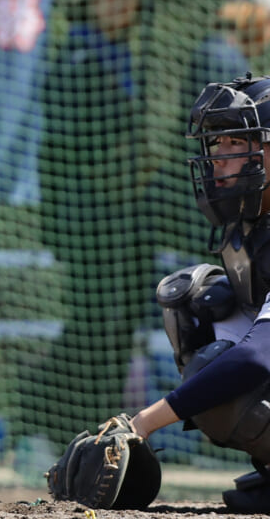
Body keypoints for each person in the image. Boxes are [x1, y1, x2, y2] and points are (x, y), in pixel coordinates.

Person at [64, 74, 270, 513]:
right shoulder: (249, 228)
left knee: (229, 369)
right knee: (195, 301)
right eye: (216, 144)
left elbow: (259, 356)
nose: (220, 158)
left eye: (238, 143)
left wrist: (143, 422)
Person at [37, 0, 154, 438]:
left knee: (117, 325)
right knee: (94, 325)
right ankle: (53, 420)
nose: (123, 2)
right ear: (89, 0)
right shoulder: (79, 60)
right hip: (87, 217)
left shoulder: (120, 56)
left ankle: (102, 428)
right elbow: (72, 148)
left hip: (119, 218)